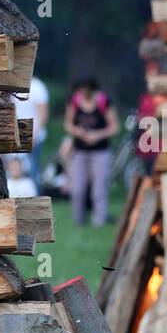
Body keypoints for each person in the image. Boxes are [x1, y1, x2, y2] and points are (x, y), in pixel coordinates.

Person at [64, 77, 119, 227]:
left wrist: (97, 135)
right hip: (80, 151)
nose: (83, 93)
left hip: (100, 152)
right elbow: (68, 124)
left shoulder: (104, 102)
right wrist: (78, 132)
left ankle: (98, 223)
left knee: (99, 190)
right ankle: (78, 222)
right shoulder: (74, 101)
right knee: (77, 189)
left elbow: (114, 127)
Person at [12, 74, 49, 192]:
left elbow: (43, 114)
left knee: (33, 170)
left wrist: (33, 135)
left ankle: (35, 200)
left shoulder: (38, 87)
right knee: (14, 170)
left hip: (34, 135)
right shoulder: (14, 85)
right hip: (16, 133)